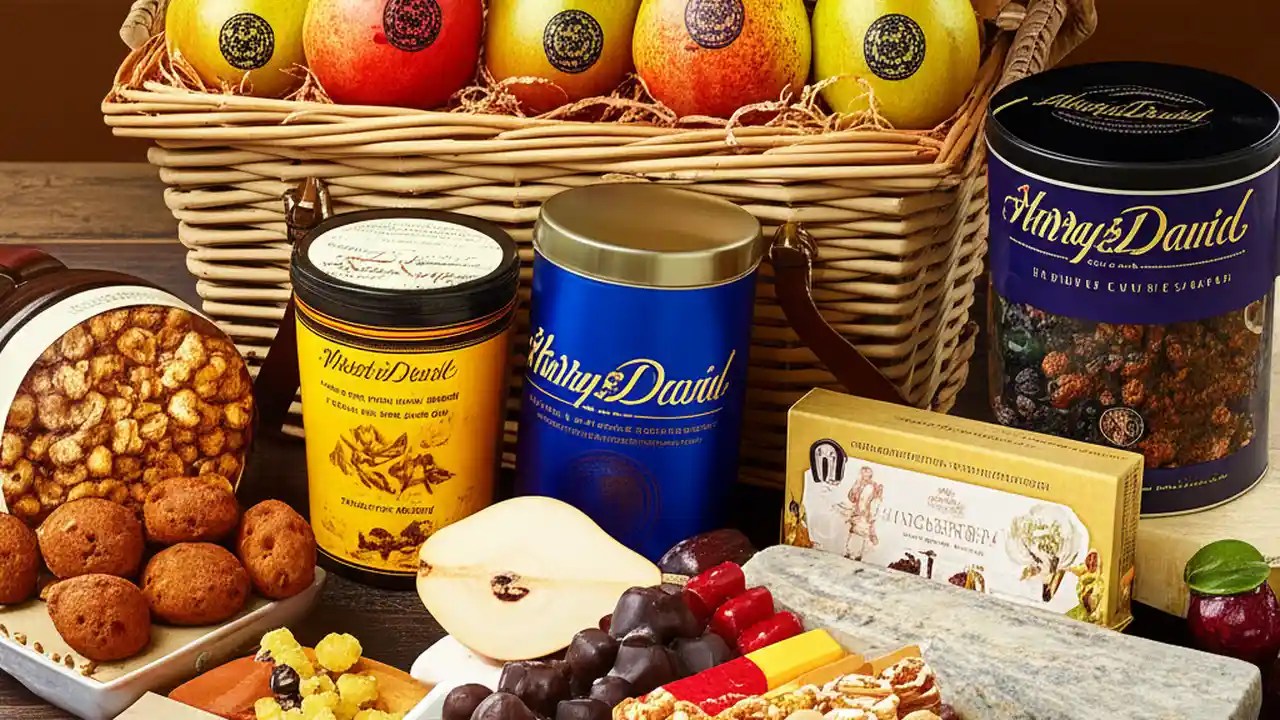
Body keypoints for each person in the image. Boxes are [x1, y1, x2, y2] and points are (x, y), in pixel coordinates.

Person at [842, 466, 884, 561]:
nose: (864, 478)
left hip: (865, 514)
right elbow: (852, 498)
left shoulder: (873, 487)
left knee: (861, 532)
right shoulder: (859, 485)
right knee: (854, 531)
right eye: (863, 475)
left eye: (866, 476)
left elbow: (874, 502)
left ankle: (857, 554)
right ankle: (850, 552)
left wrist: (869, 513)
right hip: (858, 513)